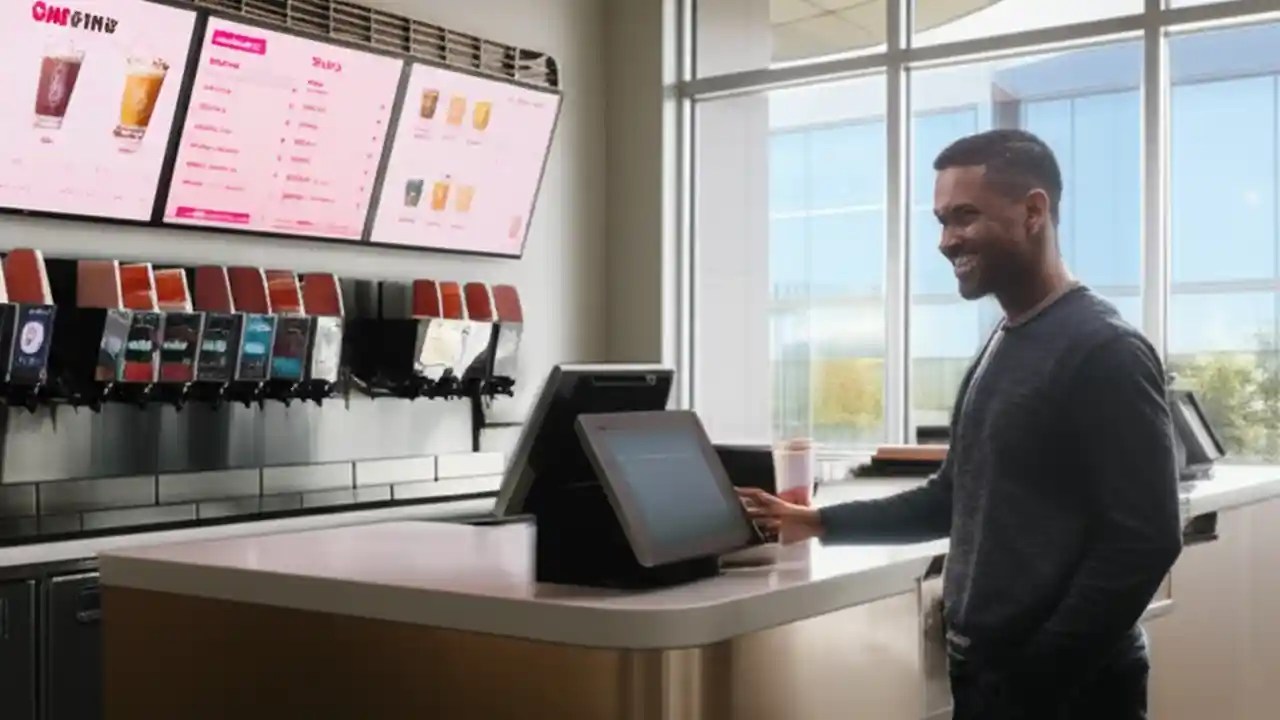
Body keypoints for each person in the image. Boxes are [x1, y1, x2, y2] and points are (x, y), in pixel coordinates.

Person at [739, 129, 1182, 719]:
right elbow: (955, 495)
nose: (947, 241)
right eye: (941, 221)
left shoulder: (1104, 351)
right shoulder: (1004, 340)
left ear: (1033, 211)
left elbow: (1145, 540)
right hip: (992, 674)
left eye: (964, 217)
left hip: (1065, 689)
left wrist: (1036, 675)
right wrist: (816, 521)